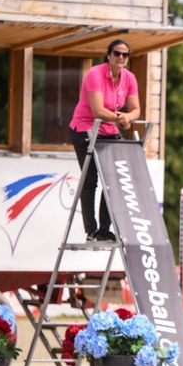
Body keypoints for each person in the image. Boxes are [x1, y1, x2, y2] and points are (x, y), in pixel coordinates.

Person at [69, 39, 140, 242]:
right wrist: (122, 118)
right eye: (117, 53)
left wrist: (129, 118)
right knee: (90, 180)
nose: (121, 58)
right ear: (108, 55)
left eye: (125, 55)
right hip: (85, 128)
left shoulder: (130, 78)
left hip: (108, 129)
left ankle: (105, 229)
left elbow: (136, 109)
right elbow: (97, 110)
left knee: (115, 181)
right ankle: (91, 231)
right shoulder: (95, 74)